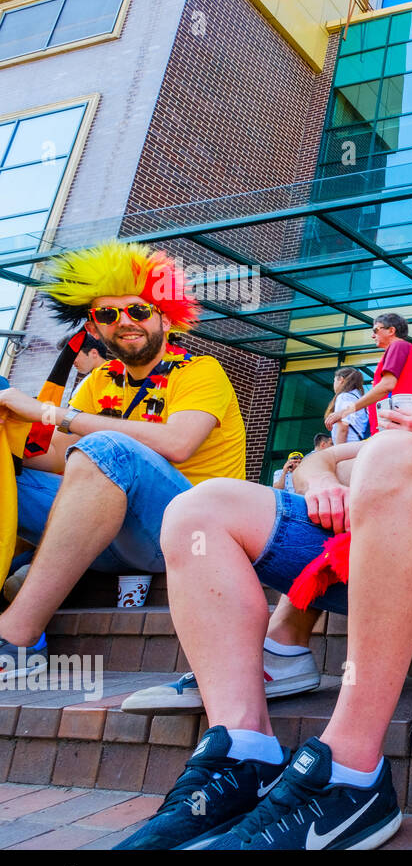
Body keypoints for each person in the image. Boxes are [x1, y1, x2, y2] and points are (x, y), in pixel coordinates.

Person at [118, 275, 412, 850]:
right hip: (392, 555)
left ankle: (353, 773)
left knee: (395, 456)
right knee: (198, 508)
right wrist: (323, 479)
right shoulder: (405, 408)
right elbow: (323, 460)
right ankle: (242, 750)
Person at [0, 241, 245, 678]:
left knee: (107, 447)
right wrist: (12, 429)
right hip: (104, 533)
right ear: (95, 328)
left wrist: (52, 413)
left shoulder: (200, 371)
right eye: (108, 314)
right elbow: (58, 457)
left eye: (138, 310)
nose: (125, 322)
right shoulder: (98, 380)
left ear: (165, 317)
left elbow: (178, 444)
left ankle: (18, 636)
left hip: (181, 533)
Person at [323, 313, 412, 432]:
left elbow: (387, 385)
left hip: (394, 428)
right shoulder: (405, 348)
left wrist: (344, 412)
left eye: (375, 330)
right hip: (395, 426)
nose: (373, 336)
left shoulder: (398, 345)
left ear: (391, 330)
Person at [327, 368, 370, 444]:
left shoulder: (344, 397)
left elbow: (343, 428)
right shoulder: (358, 398)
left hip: (348, 447)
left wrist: (338, 451)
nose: (333, 384)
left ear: (341, 379)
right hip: (359, 445)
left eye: (334, 380)